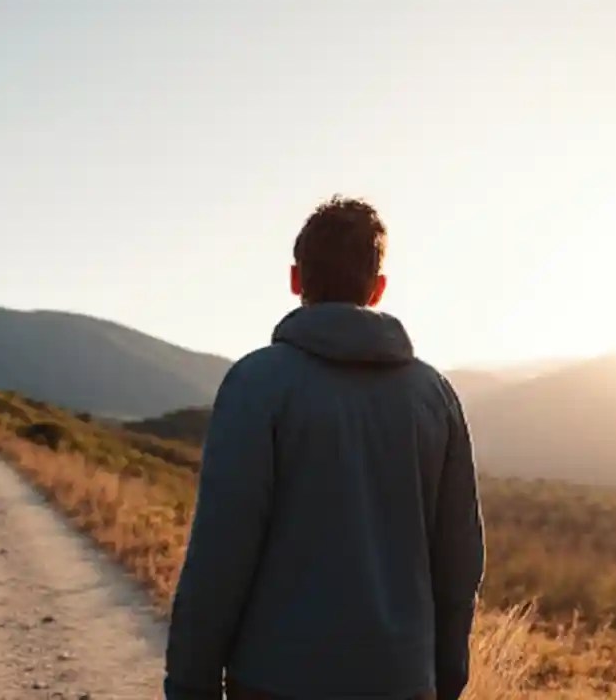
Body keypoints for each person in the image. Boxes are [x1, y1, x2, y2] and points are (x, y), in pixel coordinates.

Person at [164, 196, 486, 700]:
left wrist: (190, 683)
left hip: (274, 681)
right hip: (402, 683)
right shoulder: (435, 396)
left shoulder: (256, 384)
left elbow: (220, 553)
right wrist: (446, 679)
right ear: (378, 289)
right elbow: (459, 560)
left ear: (296, 280)